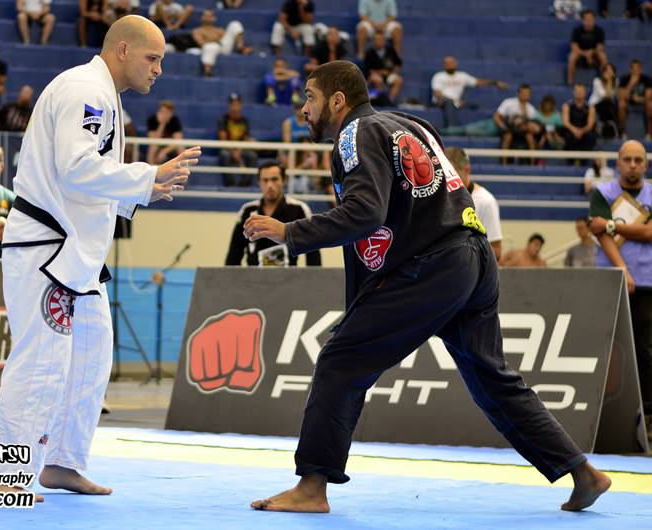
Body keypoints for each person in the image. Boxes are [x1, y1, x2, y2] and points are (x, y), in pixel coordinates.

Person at [243, 60, 610, 514]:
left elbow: (364, 214)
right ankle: (582, 470)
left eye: (310, 98)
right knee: (492, 378)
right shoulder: (409, 123)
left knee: (340, 360)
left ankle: (312, 487)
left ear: (337, 101)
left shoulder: (353, 136)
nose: (303, 109)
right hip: (473, 257)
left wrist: (289, 232)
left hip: (433, 263)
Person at [0, 15, 200, 501]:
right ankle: (4, 471)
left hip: (75, 255)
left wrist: (144, 191)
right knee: (41, 360)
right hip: (47, 248)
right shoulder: (87, 90)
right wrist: (145, 178)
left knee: (91, 354)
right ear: (122, 50)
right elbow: (77, 167)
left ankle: (62, 461)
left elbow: (87, 179)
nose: (159, 70)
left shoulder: (103, 96)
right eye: (153, 58)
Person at [588, 140, 651, 432]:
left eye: (638, 159)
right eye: (628, 159)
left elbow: (648, 233)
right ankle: (606, 416)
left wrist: (612, 225)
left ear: (645, 163)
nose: (633, 165)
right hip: (612, 281)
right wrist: (622, 268)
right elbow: (599, 235)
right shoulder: (603, 193)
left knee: (645, 351)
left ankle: (648, 415)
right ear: (618, 162)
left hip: (647, 283)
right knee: (609, 349)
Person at [226, 161, 321, 266]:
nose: (270, 185)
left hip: (289, 279)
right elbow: (234, 254)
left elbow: (313, 255)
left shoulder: (299, 209)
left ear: (283, 180)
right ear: (259, 182)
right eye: (265, 180)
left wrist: (315, 280)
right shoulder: (247, 210)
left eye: (274, 179)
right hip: (253, 279)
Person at [445, 147, 503, 260]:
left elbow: (497, 252)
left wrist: (465, 255)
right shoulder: (441, 198)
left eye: (451, 173)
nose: (447, 179)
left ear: (466, 170)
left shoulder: (486, 201)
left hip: (469, 272)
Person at [432, 56, 509, 128]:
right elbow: (437, 93)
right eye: (448, 63)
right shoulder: (439, 76)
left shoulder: (462, 76)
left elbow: (478, 82)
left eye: (452, 62)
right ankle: (451, 127)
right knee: (449, 102)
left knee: (475, 105)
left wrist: (495, 83)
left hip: (457, 102)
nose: (451, 65)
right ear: (445, 65)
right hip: (441, 101)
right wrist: (453, 100)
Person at [189, 9, 251, 77]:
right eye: (205, 16)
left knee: (234, 24)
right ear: (201, 18)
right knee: (210, 46)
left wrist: (210, 39)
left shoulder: (219, 30)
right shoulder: (197, 31)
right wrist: (216, 40)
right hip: (210, 49)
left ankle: (241, 48)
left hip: (223, 48)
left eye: (210, 16)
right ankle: (208, 72)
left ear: (214, 18)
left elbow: (224, 41)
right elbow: (201, 43)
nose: (208, 18)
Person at [493, 84, 542, 165]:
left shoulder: (531, 109)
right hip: (508, 128)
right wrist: (503, 127)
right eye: (523, 93)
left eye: (527, 94)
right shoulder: (508, 102)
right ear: (518, 93)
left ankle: (532, 163)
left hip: (522, 131)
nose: (525, 95)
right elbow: (496, 117)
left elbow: (533, 126)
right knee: (508, 135)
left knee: (530, 136)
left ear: (530, 96)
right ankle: (504, 164)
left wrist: (525, 114)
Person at [218, 92, 257, 187]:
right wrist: (233, 152)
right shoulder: (223, 120)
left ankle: (244, 185)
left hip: (241, 149)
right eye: (233, 104)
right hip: (228, 149)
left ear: (241, 105)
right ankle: (230, 185)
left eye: (237, 104)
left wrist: (239, 151)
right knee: (224, 154)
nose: (235, 107)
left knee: (252, 156)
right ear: (229, 105)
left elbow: (246, 138)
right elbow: (223, 139)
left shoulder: (245, 121)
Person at [567, 9, 608, 86]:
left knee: (603, 56)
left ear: (594, 20)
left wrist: (591, 53)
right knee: (571, 57)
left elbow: (600, 47)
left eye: (591, 19)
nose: (588, 22)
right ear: (583, 20)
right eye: (586, 19)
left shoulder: (599, 31)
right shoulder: (577, 30)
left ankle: (603, 80)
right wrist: (586, 54)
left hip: (594, 55)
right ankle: (570, 82)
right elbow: (574, 47)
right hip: (581, 55)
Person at [363, 30, 402, 107]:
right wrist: (379, 72)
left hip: (389, 74)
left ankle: (390, 99)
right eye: (377, 39)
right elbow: (368, 69)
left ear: (384, 40)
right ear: (374, 41)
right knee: (377, 80)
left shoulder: (390, 51)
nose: (379, 41)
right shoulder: (370, 53)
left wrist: (393, 72)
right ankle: (379, 100)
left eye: (381, 39)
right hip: (375, 75)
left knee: (398, 80)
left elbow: (398, 63)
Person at [617, 59, 652, 139]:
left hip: (643, 101)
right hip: (628, 101)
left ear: (641, 69)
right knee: (621, 105)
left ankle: (649, 134)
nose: (635, 71)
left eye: (637, 69)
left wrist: (640, 99)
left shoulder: (646, 79)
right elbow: (622, 96)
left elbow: (648, 96)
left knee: (650, 105)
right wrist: (631, 83)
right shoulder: (624, 79)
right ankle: (623, 132)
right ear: (630, 70)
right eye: (634, 69)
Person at [561, 83, 597, 157]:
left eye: (581, 91)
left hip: (584, 131)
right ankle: (570, 160)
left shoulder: (590, 107)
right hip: (571, 131)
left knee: (590, 136)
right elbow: (565, 122)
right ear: (574, 93)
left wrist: (581, 131)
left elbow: (590, 124)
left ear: (585, 93)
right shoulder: (567, 106)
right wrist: (575, 131)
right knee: (568, 136)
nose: (579, 93)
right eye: (577, 91)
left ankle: (585, 159)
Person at [146, 100, 183, 165]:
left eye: (167, 112)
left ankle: (183, 169)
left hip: (170, 145)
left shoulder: (175, 120)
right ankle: (151, 168)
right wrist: (162, 124)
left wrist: (164, 151)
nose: (164, 114)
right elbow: (153, 139)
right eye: (162, 111)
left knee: (180, 147)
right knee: (152, 146)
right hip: (158, 144)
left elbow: (178, 140)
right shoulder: (152, 120)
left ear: (171, 113)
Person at [589, 63, 619, 140]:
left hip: (607, 107)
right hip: (595, 105)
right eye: (607, 71)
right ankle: (605, 130)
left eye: (610, 71)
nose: (609, 73)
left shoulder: (616, 82)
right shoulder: (597, 81)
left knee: (611, 105)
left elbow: (613, 97)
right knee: (607, 104)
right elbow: (606, 96)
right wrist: (609, 81)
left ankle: (608, 131)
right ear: (603, 72)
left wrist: (610, 82)